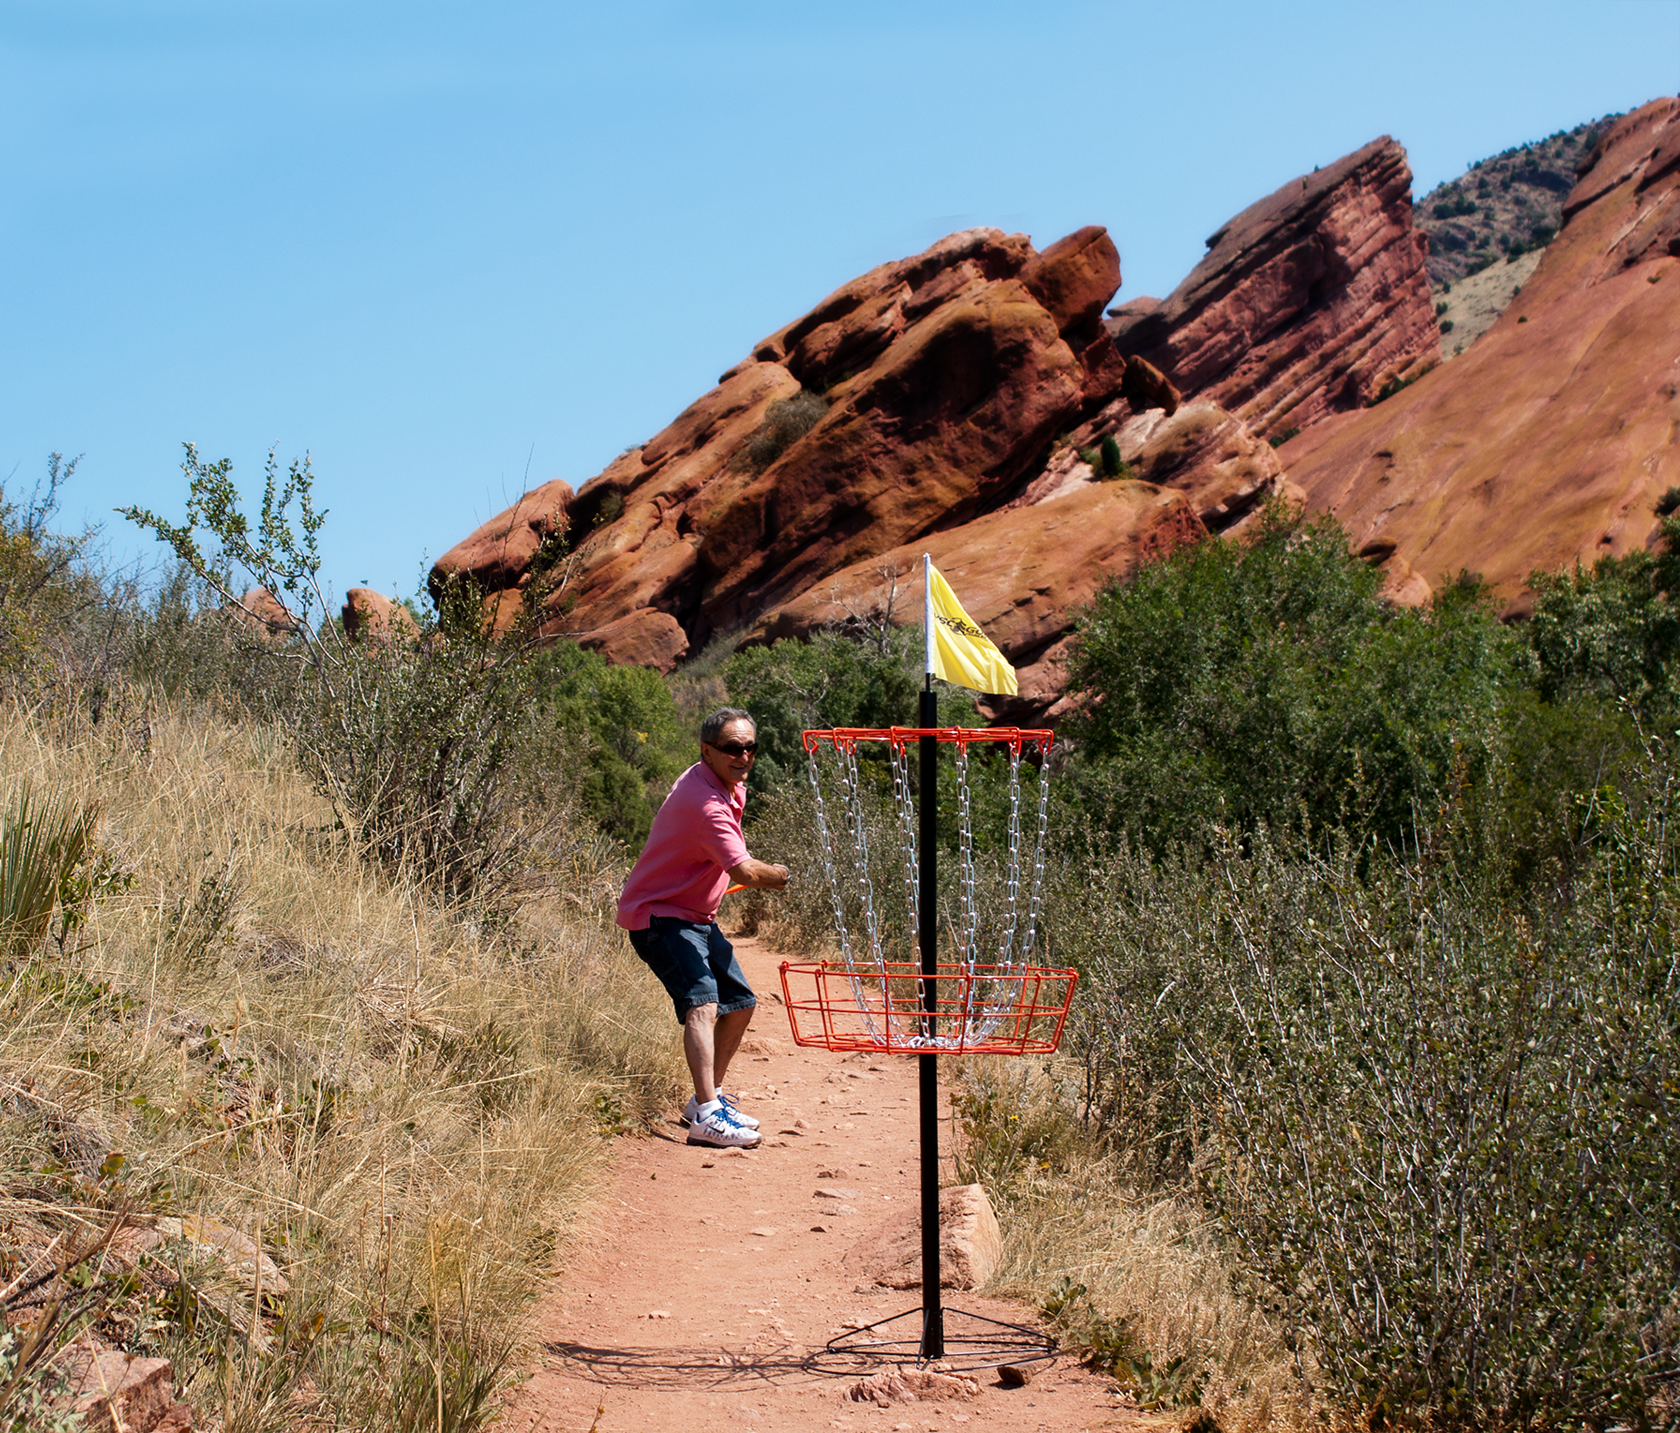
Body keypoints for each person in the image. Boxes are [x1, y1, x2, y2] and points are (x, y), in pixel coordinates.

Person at [617, 708, 789, 1149]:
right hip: (660, 915)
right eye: (733, 747)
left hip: (693, 916)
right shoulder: (707, 803)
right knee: (704, 1003)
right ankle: (709, 1117)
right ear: (707, 750)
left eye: (751, 747)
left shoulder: (719, 784)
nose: (744, 755)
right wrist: (780, 875)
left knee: (740, 1002)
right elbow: (747, 873)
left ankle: (703, 1103)